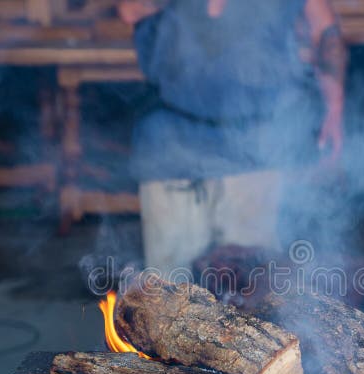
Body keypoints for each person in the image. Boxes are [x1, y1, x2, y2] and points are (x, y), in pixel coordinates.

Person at [118, 0, 346, 276]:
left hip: (254, 154)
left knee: (251, 295)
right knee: (170, 296)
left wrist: (334, 108)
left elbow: (326, 31)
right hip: (170, 152)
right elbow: (130, 8)